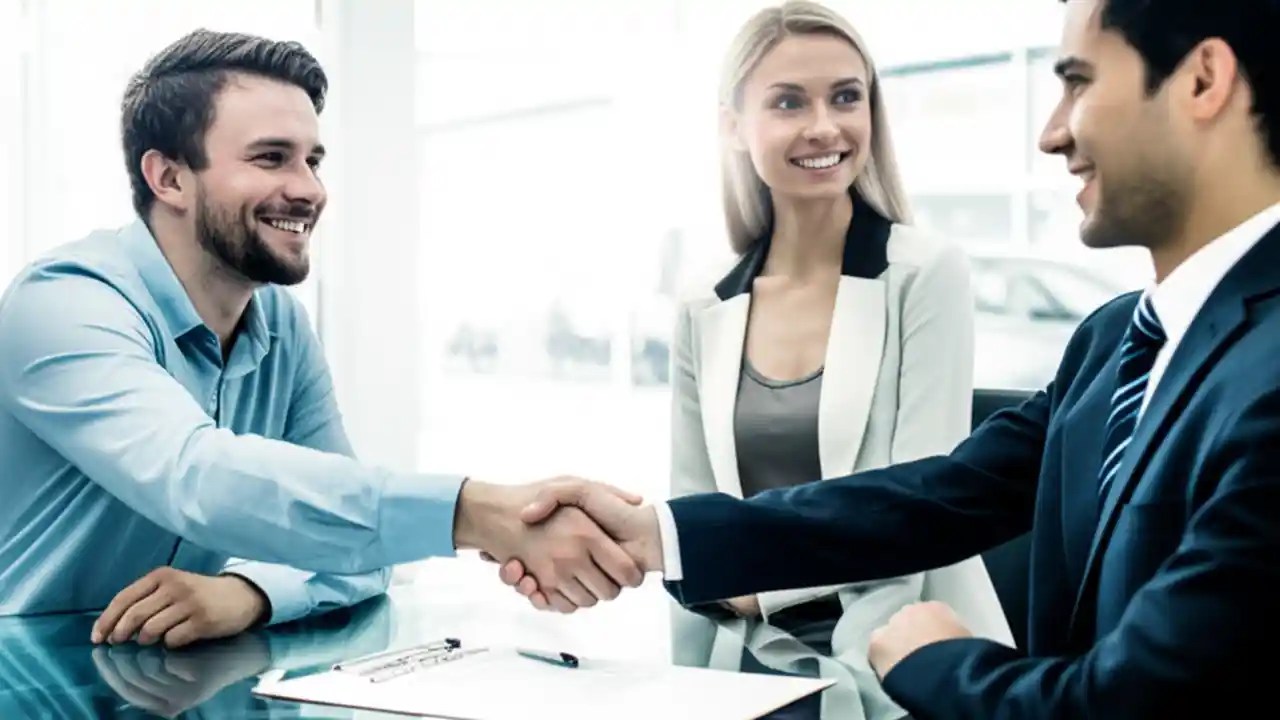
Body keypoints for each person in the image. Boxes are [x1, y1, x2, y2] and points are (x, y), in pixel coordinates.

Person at [499, 0, 1280, 715]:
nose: (1052, 132)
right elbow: (941, 495)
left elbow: (1128, 702)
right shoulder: (1115, 341)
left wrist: (936, 661)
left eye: (1078, 82)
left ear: (1203, 81)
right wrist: (657, 535)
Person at [0, 28, 642, 649]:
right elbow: (196, 477)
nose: (309, 189)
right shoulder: (62, 303)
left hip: (156, 686)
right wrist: (478, 513)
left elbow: (359, 546)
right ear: (168, 178)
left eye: (313, 159)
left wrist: (248, 590)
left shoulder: (279, 322)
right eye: (270, 157)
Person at [664, 3, 1008, 718]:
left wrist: (761, 583)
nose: (825, 126)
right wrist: (686, 685)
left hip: (899, 657)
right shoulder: (705, 300)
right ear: (733, 125)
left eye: (846, 97)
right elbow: (689, 514)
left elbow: (920, 505)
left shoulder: (925, 273)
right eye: (789, 102)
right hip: (747, 658)